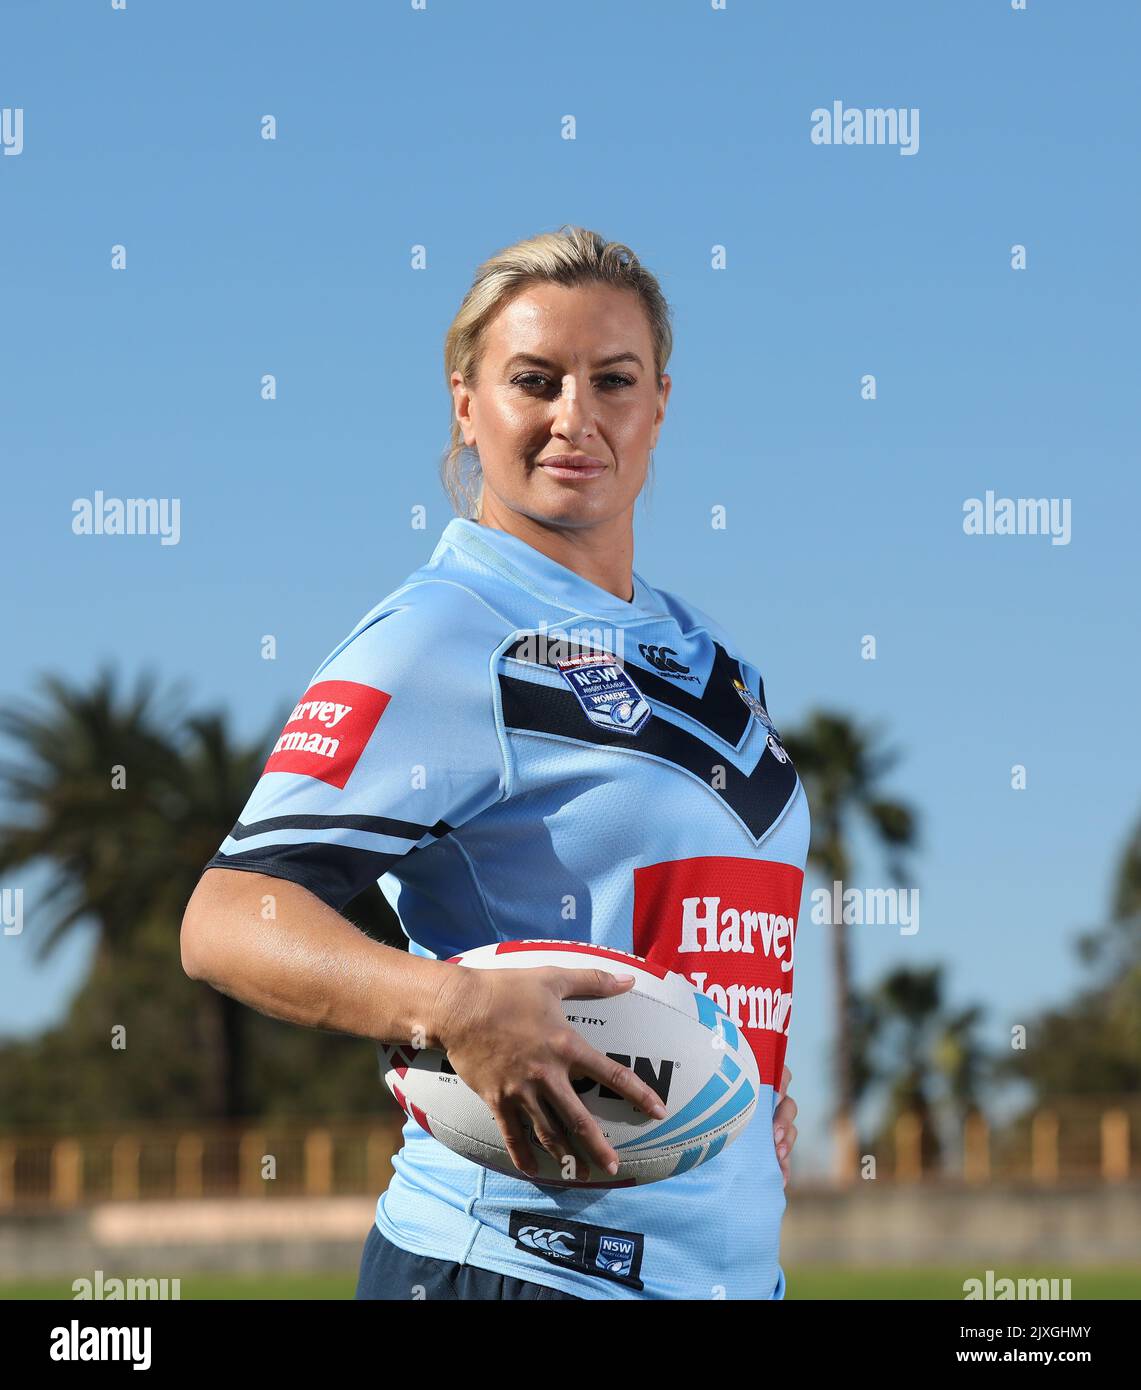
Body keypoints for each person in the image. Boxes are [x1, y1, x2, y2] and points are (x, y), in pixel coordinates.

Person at [180, 225, 808, 1300]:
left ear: (659, 406)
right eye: (535, 380)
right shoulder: (445, 634)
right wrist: (455, 1006)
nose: (577, 416)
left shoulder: (713, 659)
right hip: (517, 1268)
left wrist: (737, 1088)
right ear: (467, 404)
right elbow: (230, 916)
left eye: (614, 380)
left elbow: (680, 929)